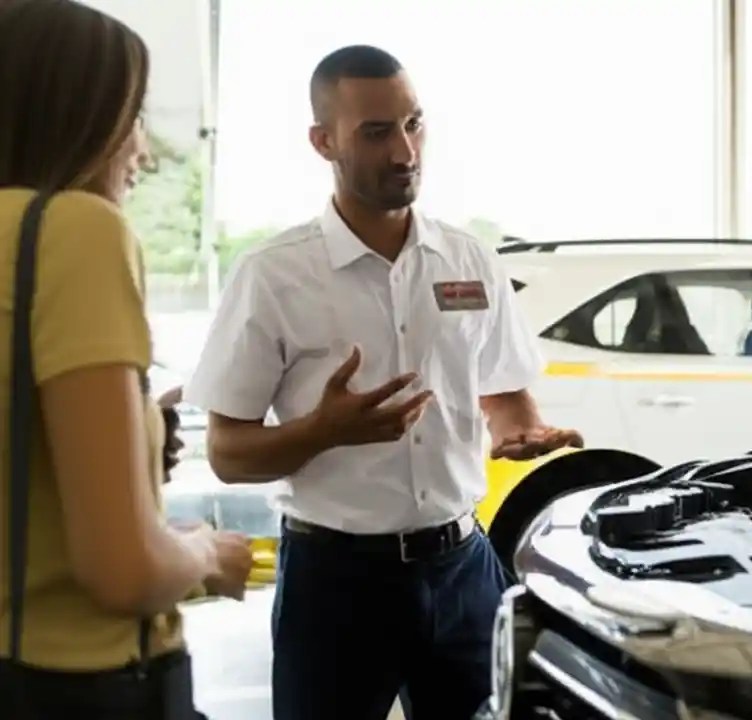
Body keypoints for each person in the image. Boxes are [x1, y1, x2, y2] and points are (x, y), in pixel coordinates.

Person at [183, 44, 583, 720]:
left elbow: (505, 397)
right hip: (335, 584)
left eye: (413, 124)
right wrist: (323, 431)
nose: (405, 151)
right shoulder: (273, 276)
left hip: (464, 570)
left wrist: (523, 432)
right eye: (376, 132)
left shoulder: (468, 259)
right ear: (323, 141)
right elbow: (226, 454)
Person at [0, 1, 254, 717]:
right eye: (132, 115)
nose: (140, 149)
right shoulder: (76, 230)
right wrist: (206, 551)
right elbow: (123, 570)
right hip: (84, 683)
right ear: (78, 113)